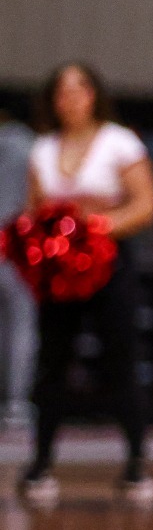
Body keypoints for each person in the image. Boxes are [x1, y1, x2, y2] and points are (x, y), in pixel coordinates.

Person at [17, 63, 153, 503]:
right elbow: (33, 212)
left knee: (121, 357)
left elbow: (147, 204)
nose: (71, 98)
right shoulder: (42, 149)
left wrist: (94, 227)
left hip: (109, 263)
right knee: (52, 361)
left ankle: (136, 464)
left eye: (80, 89)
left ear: (94, 95)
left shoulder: (120, 142)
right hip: (59, 270)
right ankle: (40, 464)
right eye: (62, 91)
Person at [0, 110, 36, 431]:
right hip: (16, 248)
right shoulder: (32, 148)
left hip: (12, 245)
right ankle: (15, 404)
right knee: (21, 327)